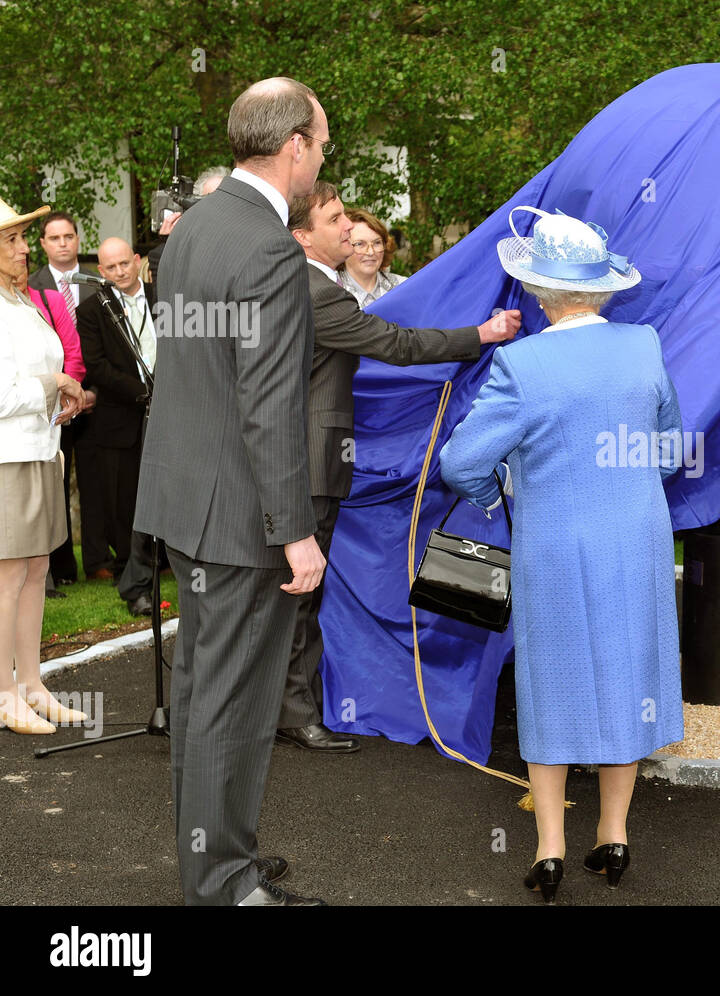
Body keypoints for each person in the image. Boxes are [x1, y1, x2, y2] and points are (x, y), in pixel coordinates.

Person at [440, 205, 685, 904]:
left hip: (554, 541)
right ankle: (613, 836)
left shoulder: (522, 362)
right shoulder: (645, 346)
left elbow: (462, 464)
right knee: (626, 675)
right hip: (634, 536)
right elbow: (668, 448)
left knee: (551, 684)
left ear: (540, 293)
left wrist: (506, 484)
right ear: (603, 287)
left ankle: (549, 848)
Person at [135, 76, 330, 907]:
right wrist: (295, 530)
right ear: (293, 147)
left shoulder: (197, 225)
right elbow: (268, 403)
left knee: (203, 699)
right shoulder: (268, 248)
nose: (322, 159)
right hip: (240, 518)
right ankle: (223, 886)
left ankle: (217, 858)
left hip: (186, 501)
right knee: (232, 711)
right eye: (321, 145)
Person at [275, 180, 519, 754]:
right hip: (309, 465)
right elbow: (394, 344)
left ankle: (291, 705)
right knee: (296, 594)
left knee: (296, 593)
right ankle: (290, 711)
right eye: (334, 220)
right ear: (300, 235)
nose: (347, 229)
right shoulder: (313, 291)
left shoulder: (304, 283)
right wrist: (478, 334)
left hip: (314, 462)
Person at [0, 195, 86, 734]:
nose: (24, 247)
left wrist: (64, 394)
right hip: (6, 460)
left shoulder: (25, 300)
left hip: (38, 452)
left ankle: (31, 684)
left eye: (21, 237)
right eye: (11, 240)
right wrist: (51, 386)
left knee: (35, 571)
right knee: (8, 578)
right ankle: (4, 694)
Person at [75, 238, 156, 616]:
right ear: (101, 272)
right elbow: (97, 365)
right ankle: (131, 577)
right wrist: (143, 393)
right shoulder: (93, 309)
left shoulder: (164, 299)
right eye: (111, 268)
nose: (121, 272)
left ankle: (162, 565)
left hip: (169, 413)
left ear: (137, 261)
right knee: (125, 500)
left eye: (126, 263)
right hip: (122, 417)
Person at [29, 211, 97, 585]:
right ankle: (60, 567)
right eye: (53, 238)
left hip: (96, 398)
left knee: (95, 484)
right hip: (53, 404)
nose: (62, 244)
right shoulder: (33, 287)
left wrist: (89, 391)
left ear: (77, 238)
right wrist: (65, 390)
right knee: (54, 483)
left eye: (68, 236)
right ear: (43, 244)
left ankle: (99, 559)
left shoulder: (97, 282)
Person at [338, 207, 407, 307]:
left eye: (377, 243)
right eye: (360, 244)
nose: (371, 252)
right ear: (343, 247)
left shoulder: (402, 287)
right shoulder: (332, 293)